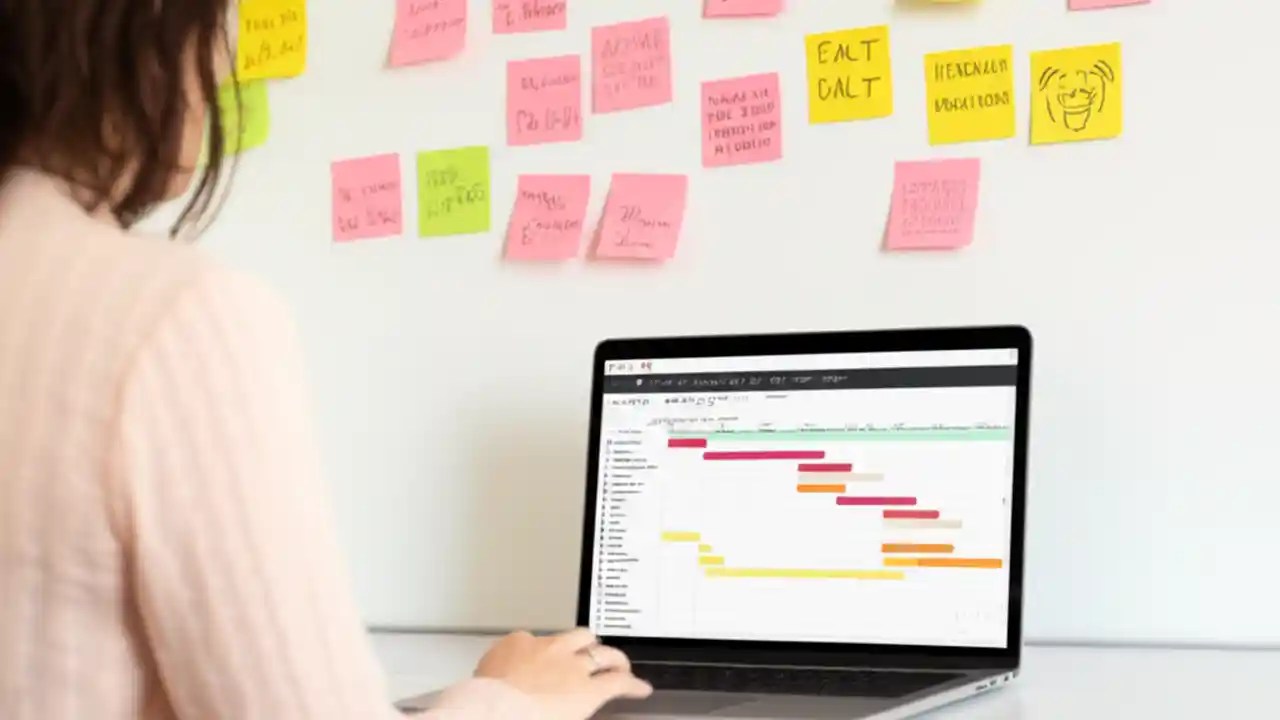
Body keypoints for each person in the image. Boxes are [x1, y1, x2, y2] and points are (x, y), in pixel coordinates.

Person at [0, 2, 651, 718]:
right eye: (217, 20)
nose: (227, 60)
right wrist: (516, 699)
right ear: (138, 32)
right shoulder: (168, 317)